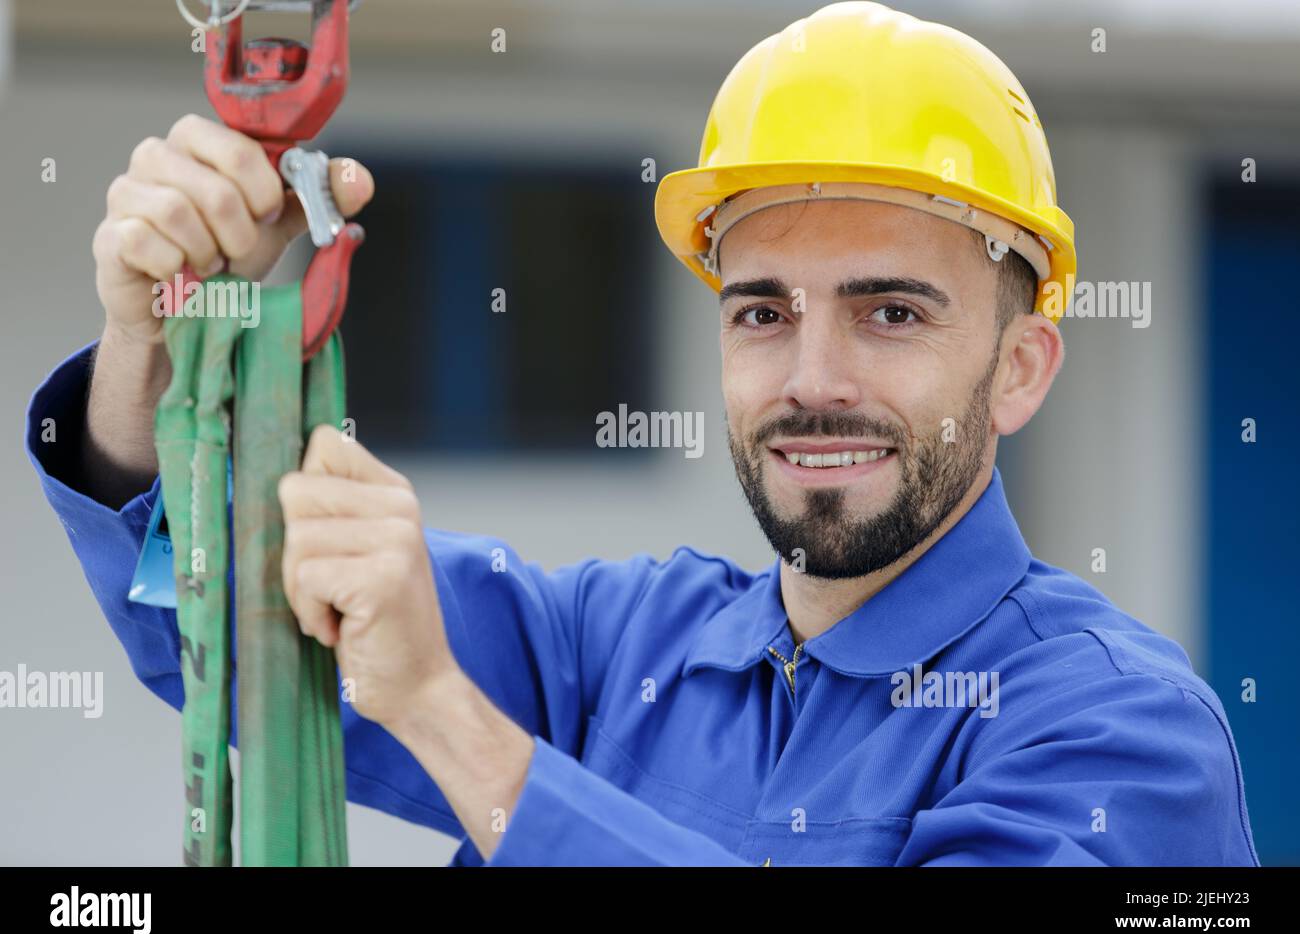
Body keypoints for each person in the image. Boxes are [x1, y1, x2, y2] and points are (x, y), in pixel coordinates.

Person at [26, 1, 1257, 865]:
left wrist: (450, 717)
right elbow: (212, 628)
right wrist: (154, 336)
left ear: (1019, 367)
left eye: (890, 311)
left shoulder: (1117, 734)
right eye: (763, 310)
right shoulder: (612, 648)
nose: (812, 377)